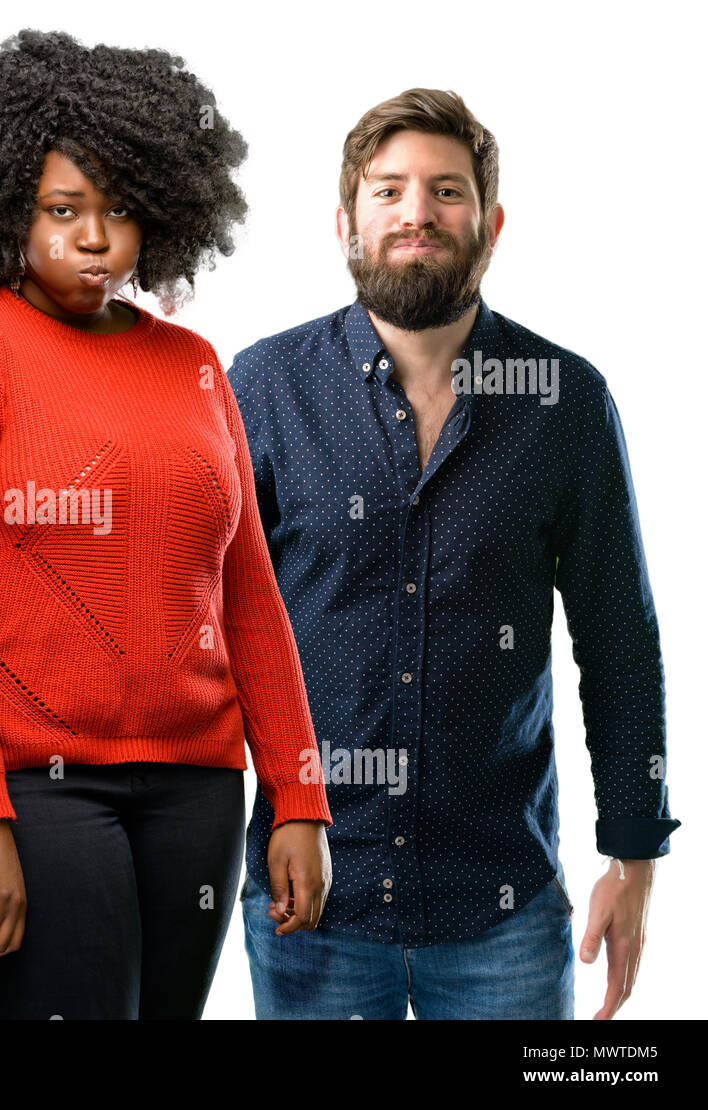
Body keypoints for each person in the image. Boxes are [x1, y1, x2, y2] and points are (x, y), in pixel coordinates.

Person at [0, 29, 332, 1020]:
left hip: (195, 793)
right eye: (62, 210)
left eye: (119, 213)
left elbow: (245, 591)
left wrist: (299, 797)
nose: (93, 241)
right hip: (30, 786)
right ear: (3, 205)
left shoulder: (194, 362)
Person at [232, 88, 679, 1020]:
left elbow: (619, 641)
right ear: (346, 221)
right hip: (310, 895)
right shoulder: (265, 387)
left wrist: (633, 859)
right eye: (388, 190)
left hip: (503, 911)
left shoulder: (564, 401)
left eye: (446, 191)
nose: (416, 214)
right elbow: (204, 624)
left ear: (490, 223)